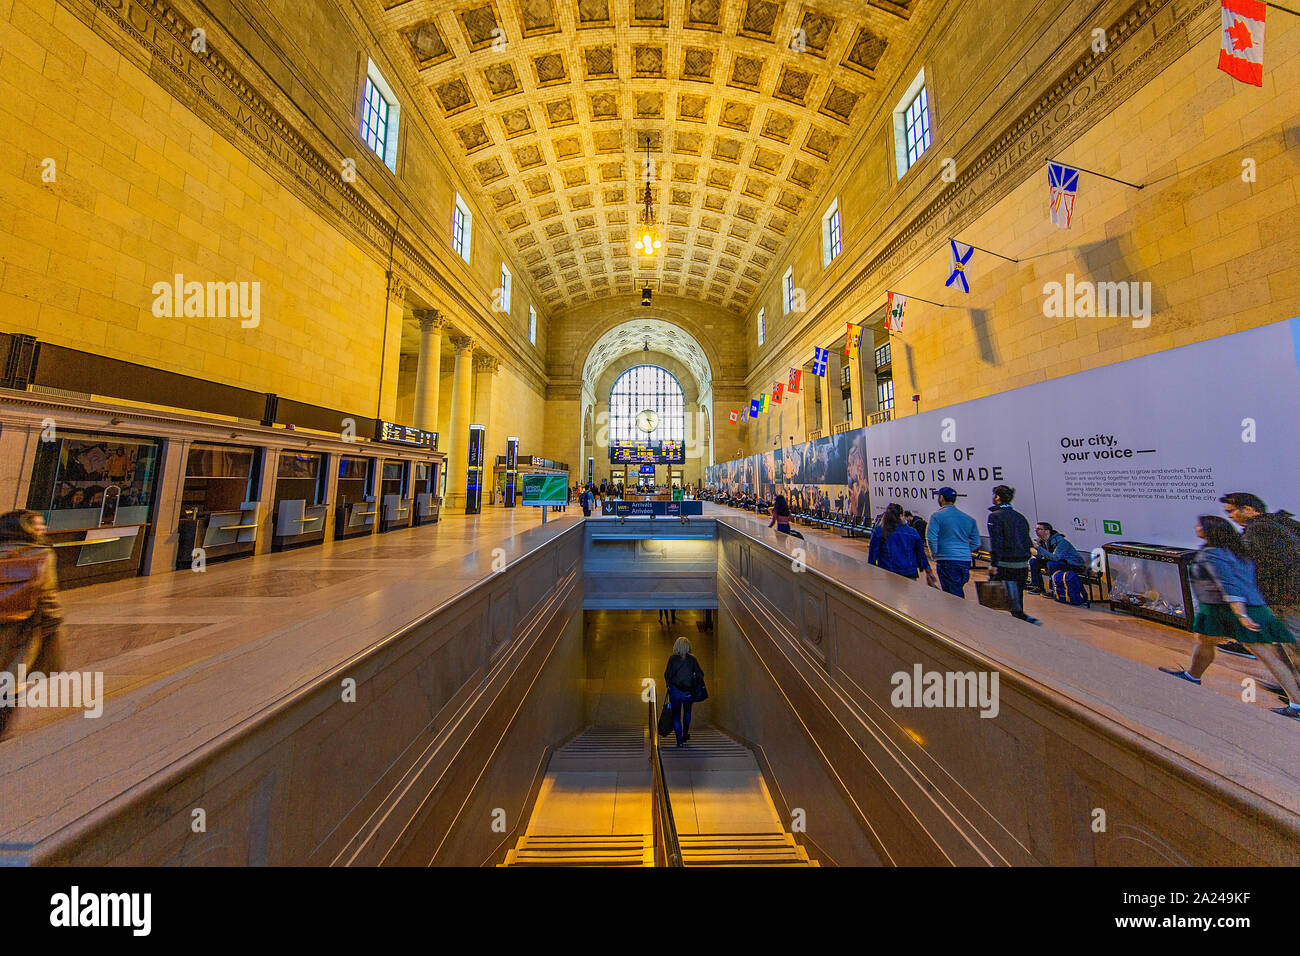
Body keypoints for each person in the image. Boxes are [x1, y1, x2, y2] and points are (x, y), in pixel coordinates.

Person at [1159, 516, 1299, 719]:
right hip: (1228, 607)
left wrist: (1240, 613)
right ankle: (1192, 675)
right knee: (1205, 641)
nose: (1197, 527)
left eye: (1201, 524)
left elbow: (1228, 584)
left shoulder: (1213, 554)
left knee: (1266, 654)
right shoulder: (1237, 552)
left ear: (1211, 530)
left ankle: (1296, 704)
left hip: (1232, 609)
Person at [1219, 492, 1300, 696]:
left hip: (1284, 597)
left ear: (1248, 509)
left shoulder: (1259, 531)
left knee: (1293, 642)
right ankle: (1292, 683)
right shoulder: (1282, 523)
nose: (1230, 516)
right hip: (1288, 595)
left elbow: (1266, 566)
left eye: (1232, 511)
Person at [0, 511, 65, 740]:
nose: (43, 529)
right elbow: (47, 597)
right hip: (21, 627)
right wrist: (52, 622)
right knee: (11, 679)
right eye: (38, 525)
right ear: (24, 528)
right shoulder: (41, 554)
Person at [987, 485, 1040, 625]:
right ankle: (1020, 621)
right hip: (1021, 565)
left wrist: (993, 564)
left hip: (1005, 564)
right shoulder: (1020, 517)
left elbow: (996, 542)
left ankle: (996, 628)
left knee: (991, 599)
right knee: (1017, 598)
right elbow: (1027, 541)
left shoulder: (995, 516)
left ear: (998, 498)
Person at [867, 507, 937, 585]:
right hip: (910, 572)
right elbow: (921, 554)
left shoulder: (879, 531)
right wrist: (928, 570)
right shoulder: (912, 532)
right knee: (908, 596)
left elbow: (873, 555)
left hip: (887, 573)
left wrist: (871, 571)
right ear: (900, 516)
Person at [664, 636, 705, 747]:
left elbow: (667, 674)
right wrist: (693, 678)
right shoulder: (692, 659)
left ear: (676, 646)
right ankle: (685, 733)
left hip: (675, 692)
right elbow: (701, 674)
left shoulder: (672, 659)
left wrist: (669, 685)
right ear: (688, 647)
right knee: (687, 712)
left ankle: (679, 742)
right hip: (688, 692)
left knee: (676, 716)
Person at [1027, 522, 1087, 594]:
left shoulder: (1061, 542)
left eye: (1039, 529)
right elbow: (1041, 556)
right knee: (1033, 562)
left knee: (1052, 564)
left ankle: (1054, 590)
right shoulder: (1041, 541)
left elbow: (1056, 558)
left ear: (1047, 531)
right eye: (1036, 529)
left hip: (1073, 564)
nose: (1036, 531)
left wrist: (1038, 547)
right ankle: (1037, 586)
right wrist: (1033, 550)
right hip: (1057, 562)